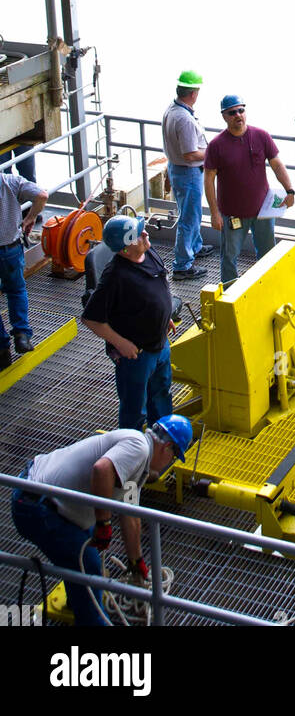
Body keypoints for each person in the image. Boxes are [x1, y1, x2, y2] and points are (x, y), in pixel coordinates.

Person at [11, 415, 192, 627]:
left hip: (36, 496)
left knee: (87, 550)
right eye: (173, 456)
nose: (168, 463)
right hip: (35, 505)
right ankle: (91, 621)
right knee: (89, 565)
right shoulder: (138, 448)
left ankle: (78, 597)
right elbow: (102, 469)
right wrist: (103, 523)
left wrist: (136, 563)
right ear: (167, 447)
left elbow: (129, 514)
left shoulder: (137, 464)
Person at [81, 215, 178, 430]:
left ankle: (162, 441)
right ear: (125, 250)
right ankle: (131, 452)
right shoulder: (115, 276)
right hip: (137, 355)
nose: (145, 234)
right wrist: (120, 343)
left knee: (162, 395)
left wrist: (164, 316)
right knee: (134, 409)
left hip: (160, 343)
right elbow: (90, 318)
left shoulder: (148, 252)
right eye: (138, 235)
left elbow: (158, 283)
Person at [204, 96, 295, 286]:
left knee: (268, 253)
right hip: (232, 214)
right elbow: (209, 179)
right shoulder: (216, 146)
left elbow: (277, 164)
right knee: (230, 256)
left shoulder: (261, 136)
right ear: (224, 116)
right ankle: (229, 292)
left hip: (263, 210)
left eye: (241, 110)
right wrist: (214, 213)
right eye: (232, 112)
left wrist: (290, 190)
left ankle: (269, 287)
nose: (238, 115)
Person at [162, 69, 209, 280]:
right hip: (188, 172)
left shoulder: (171, 111)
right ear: (193, 94)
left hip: (177, 169)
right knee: (189, 218)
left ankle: (195, 247)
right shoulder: (185, 120)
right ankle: (182, 265)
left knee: (191, 213)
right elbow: (190, 154)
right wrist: (212, 154)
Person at [0, 170, 47, 370]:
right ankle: (22, 335)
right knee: (16, 290)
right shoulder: (9, 181)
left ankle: (2, 349)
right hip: (10, 249)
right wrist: (31, 216)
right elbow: (42, 195)